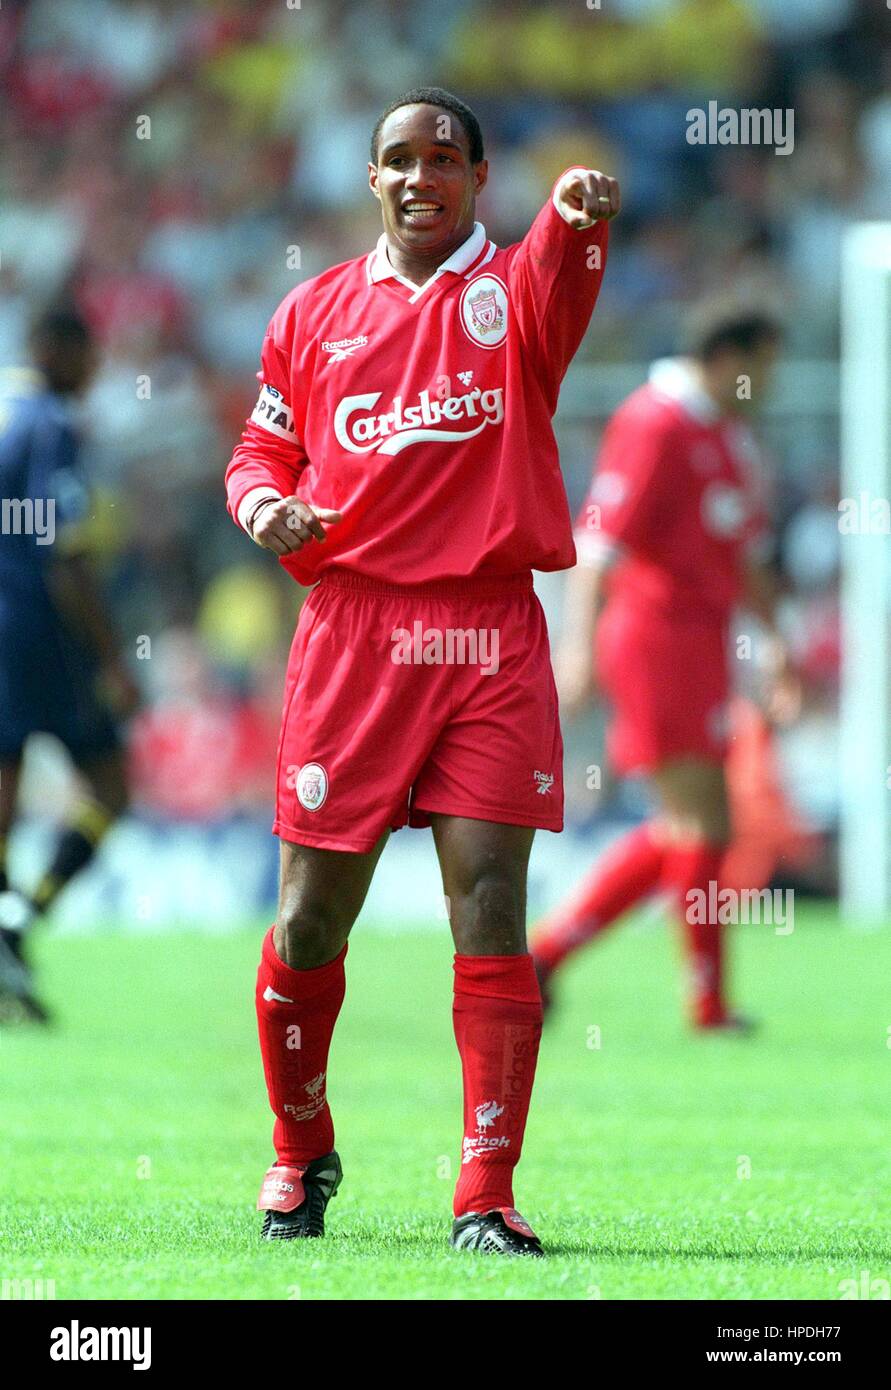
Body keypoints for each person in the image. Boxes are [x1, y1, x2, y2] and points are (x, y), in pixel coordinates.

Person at [225, 86, 619, 1256]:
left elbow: (565, 241)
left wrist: (574, 206)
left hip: (489, 633)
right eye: (399, 158)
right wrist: (265, 508)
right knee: (307, 921)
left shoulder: (518, 294)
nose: (420, 175)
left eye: (443, 157)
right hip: (353, 635)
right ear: (371, 177)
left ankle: (485, 1191)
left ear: (477, 178)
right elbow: (262, 444)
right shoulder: (312, 312)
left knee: (490, 903)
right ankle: (300, 1150)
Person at [532, 304, 794, 1030]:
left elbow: (740, 558)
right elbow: (600, 544)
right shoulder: (653, 422)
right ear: (724, 357)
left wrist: (776, 644)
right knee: (699, 818)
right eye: (761, 365)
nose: (766, 382)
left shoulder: (719, 434)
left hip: (703, 644)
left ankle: (546, 954)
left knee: (691, 822)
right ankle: (704, 1005)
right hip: (654, 639)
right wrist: (578, 648)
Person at [0, 306, 137, 1021]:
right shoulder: (49, 425)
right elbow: (68, 551)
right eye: (90, 356)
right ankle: (21, 918)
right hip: (38, 640)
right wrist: (113, 659)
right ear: (56, 348)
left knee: (4, 794)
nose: (96, 371)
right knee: (112, 785)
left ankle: (5, 949)